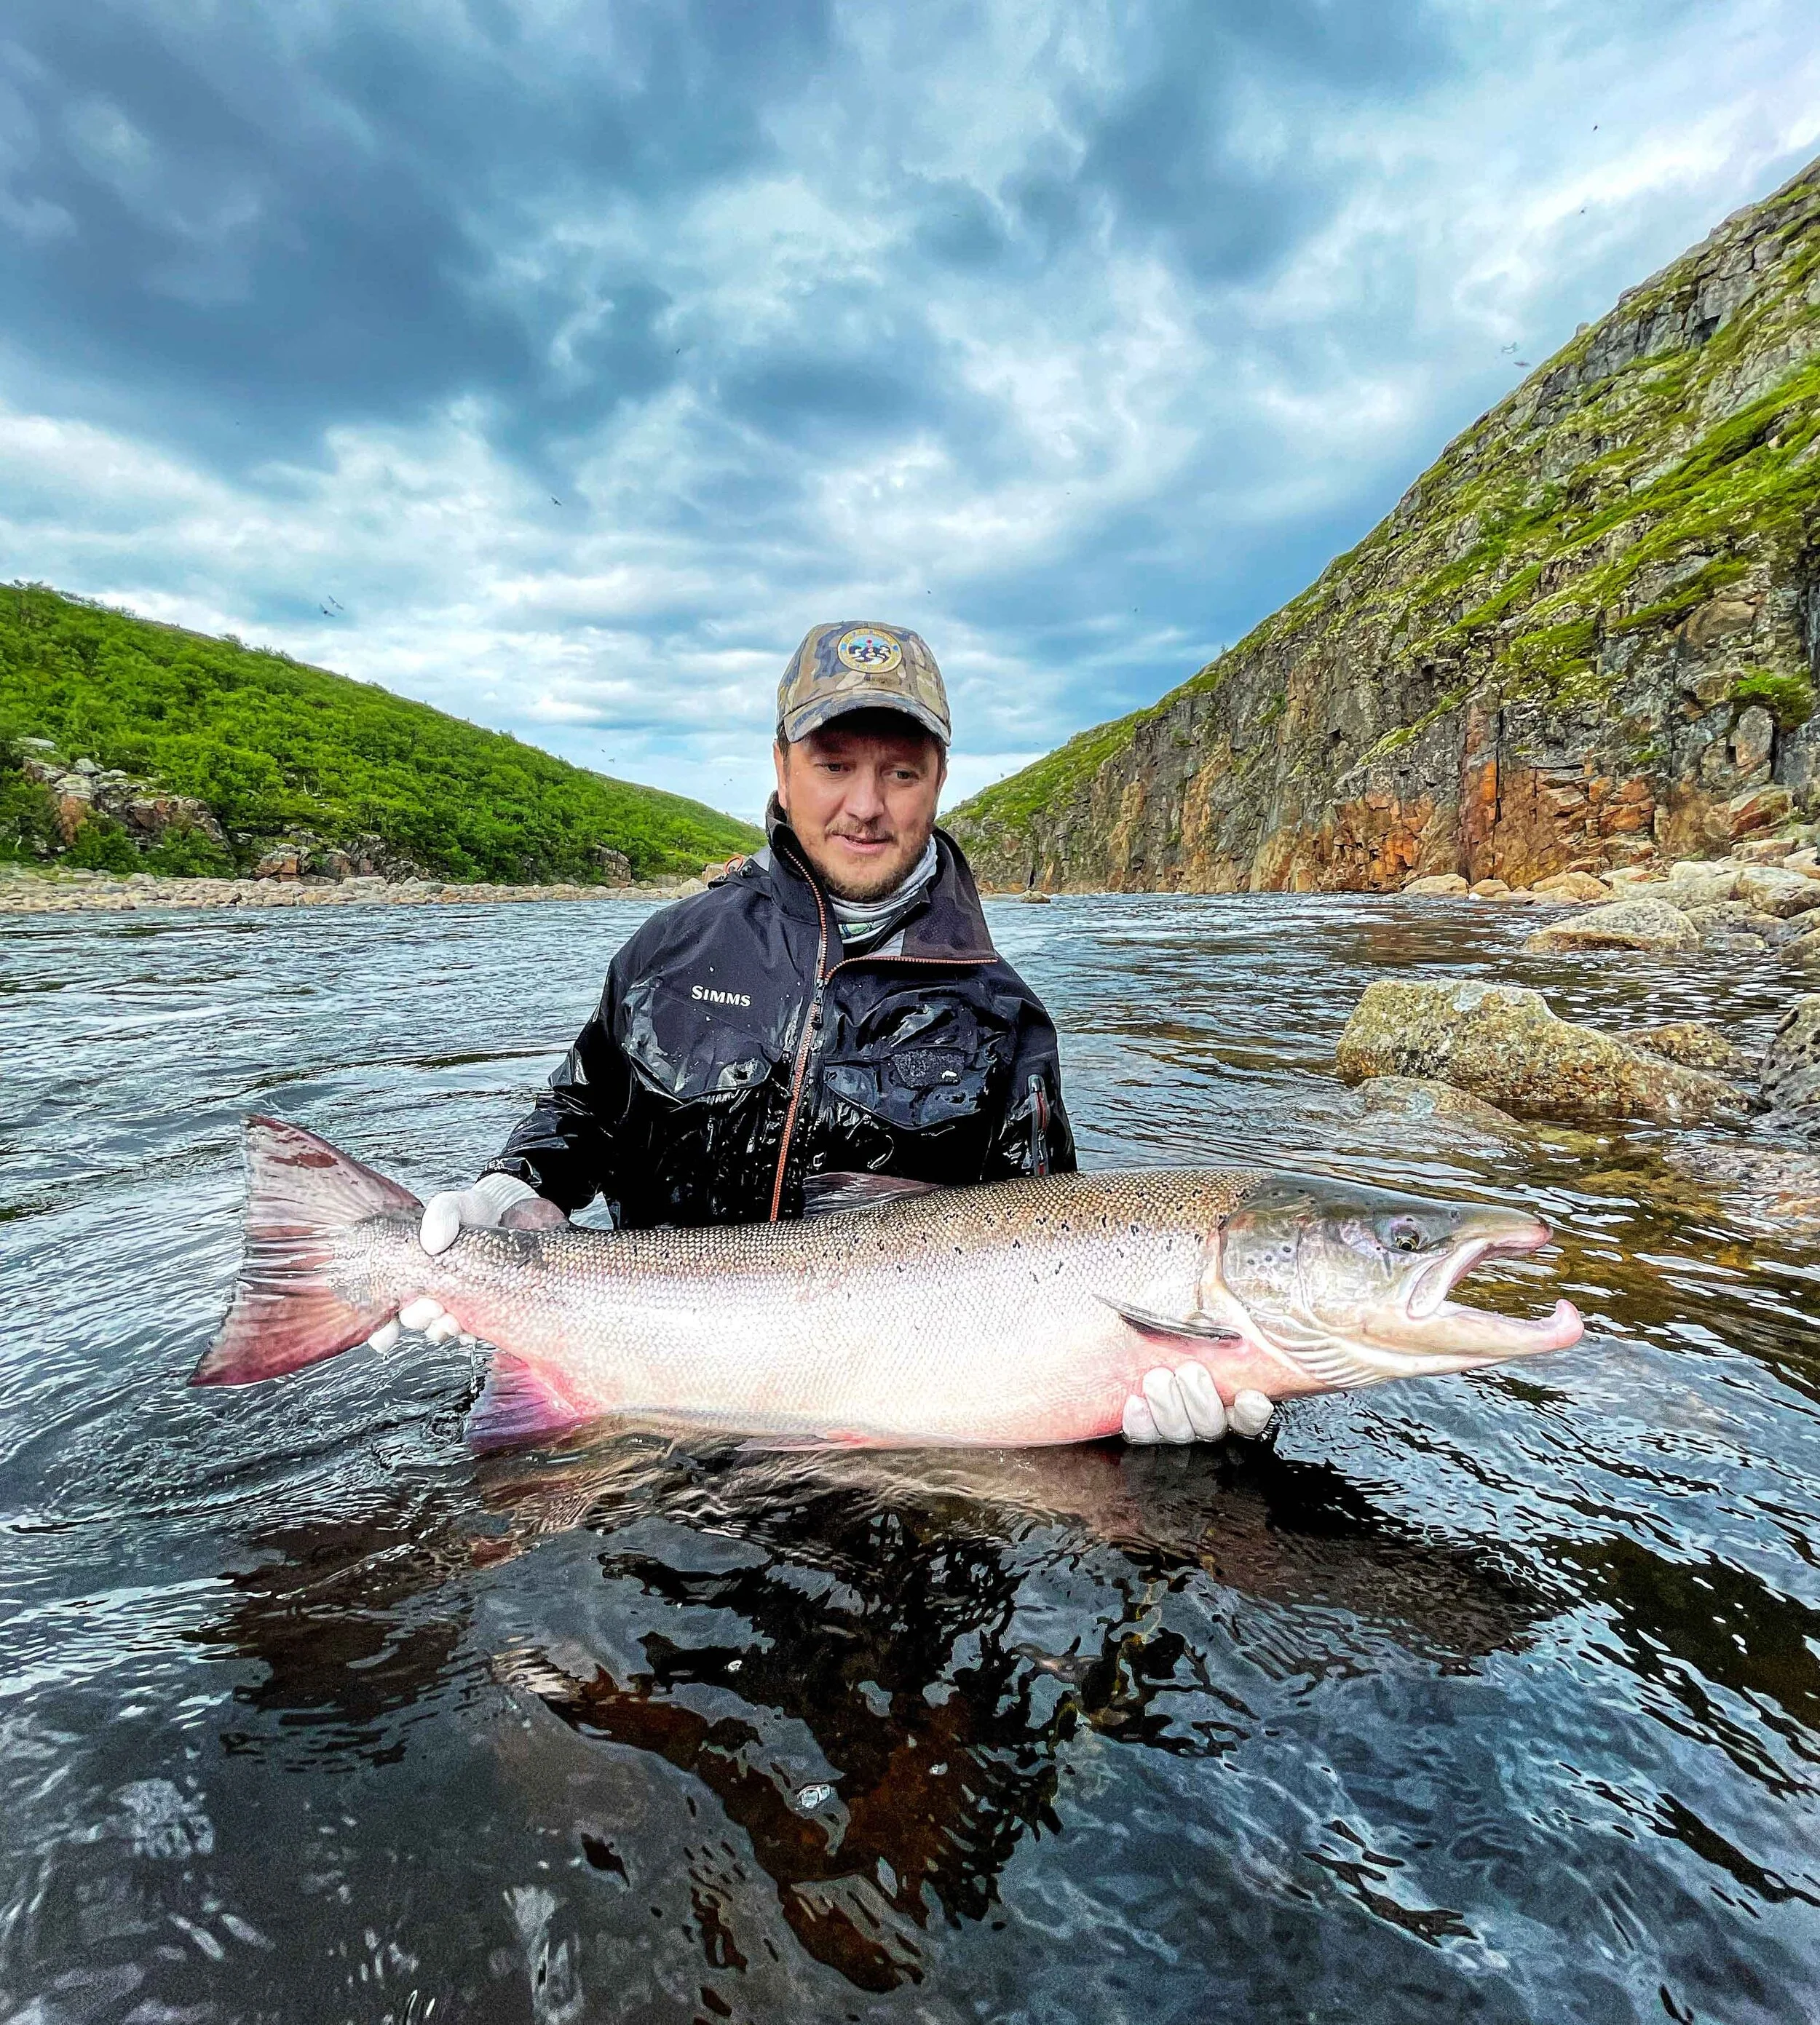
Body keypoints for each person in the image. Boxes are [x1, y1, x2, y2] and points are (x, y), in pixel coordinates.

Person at [413, 619, 1266, 1445]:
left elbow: (1054, 1242)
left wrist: (1150, 1384)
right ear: (782, 769)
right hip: (638, 1382)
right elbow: (583, 1111)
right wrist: (505, 1187)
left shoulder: (1003, 1017)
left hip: (890, 1432)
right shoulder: (668, 949)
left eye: (900, 773)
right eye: (832, 765)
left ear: (938, 779)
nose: (866, 806)